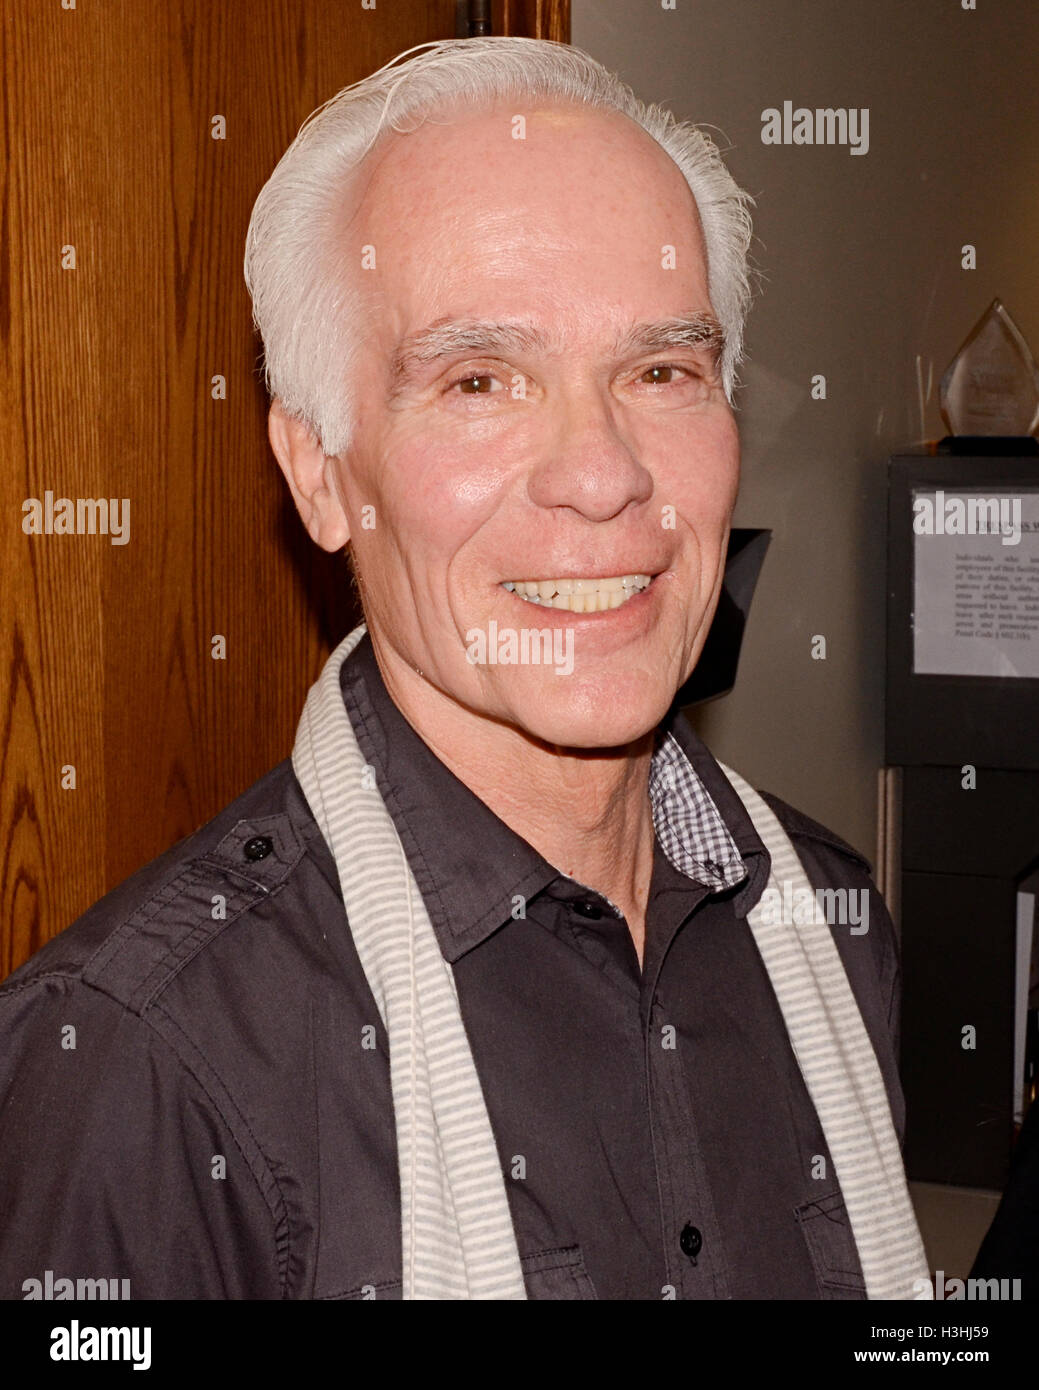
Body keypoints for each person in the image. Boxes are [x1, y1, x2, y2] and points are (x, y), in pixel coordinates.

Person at [0, 36, 928, 1301]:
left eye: (661, 370)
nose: (601, 474)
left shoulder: (829, 926)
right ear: (319, 471)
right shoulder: (138, 1058)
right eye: (481, 380)